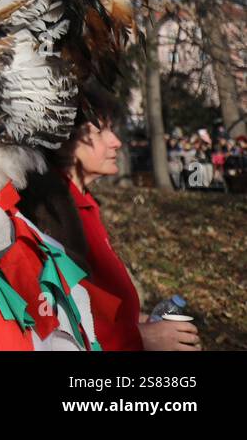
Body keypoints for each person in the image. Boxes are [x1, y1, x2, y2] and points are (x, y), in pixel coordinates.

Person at [33, 89, 201, 351]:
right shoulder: (51, 214)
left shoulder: (84, 204)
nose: (116, 142)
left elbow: (97, 304)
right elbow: (57, 316)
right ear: (67, 140)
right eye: (101, 131)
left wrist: (137, 321)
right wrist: (141, 337)